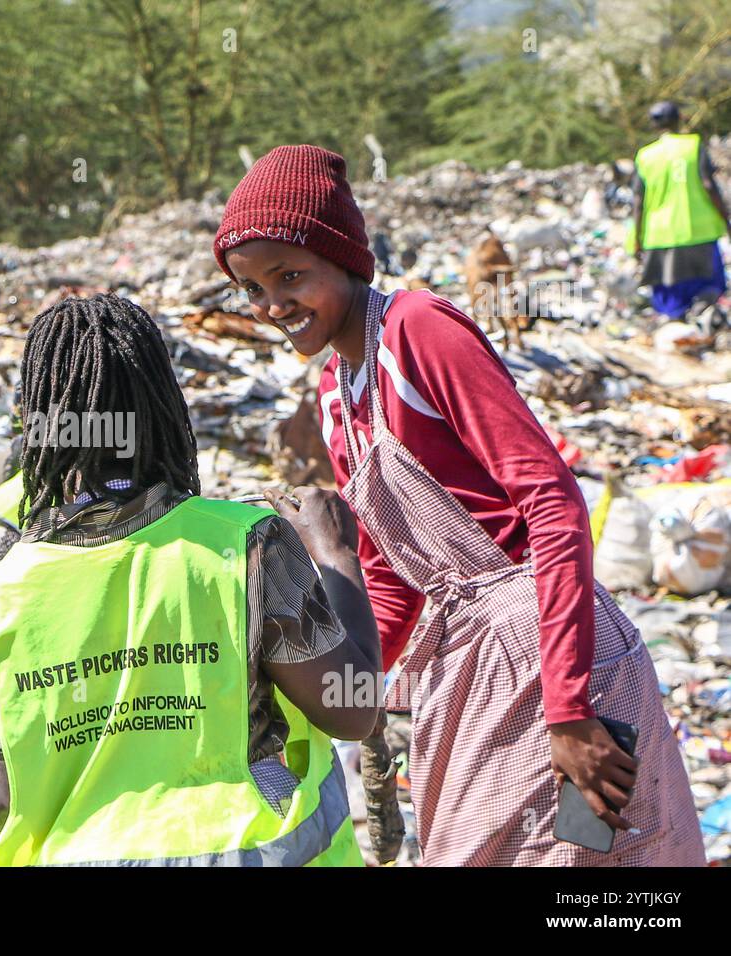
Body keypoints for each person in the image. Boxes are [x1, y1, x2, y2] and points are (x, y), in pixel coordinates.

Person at [216, 144, 704, 866]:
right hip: (468, 670)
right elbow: (389, 577)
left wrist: (569, 710)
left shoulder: (418, 331)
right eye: (252, 289)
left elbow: (554, 501)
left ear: (347, 260)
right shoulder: (334, 398)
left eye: (291, 276)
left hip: (558, 654)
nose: (272, 305)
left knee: (593, 869)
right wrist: (340, 694)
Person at [0, 293, 380, 866]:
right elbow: (352, 709)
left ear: (34, 422)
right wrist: (336, 554)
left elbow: (11, 801)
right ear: (164, 406)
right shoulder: (244, 545)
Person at [633, 101, 730, 321]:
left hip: (660, 236)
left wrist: (637, 238)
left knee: (670, 301)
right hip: (698, 232)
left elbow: (638, 201)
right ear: (679, 119)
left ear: (654, 125)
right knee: (707, 296)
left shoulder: (646, 156)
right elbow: (709, 185)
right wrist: (725, 219)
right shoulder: (693, 146)